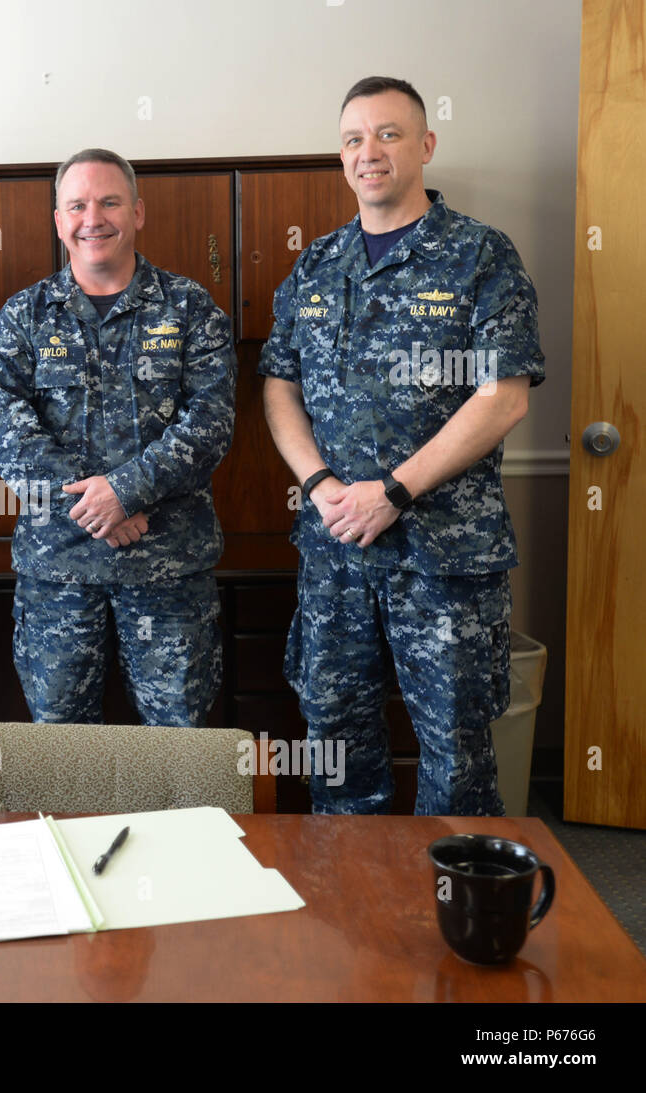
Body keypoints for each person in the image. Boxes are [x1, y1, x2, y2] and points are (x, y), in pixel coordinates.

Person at [259, 76, 545, 815]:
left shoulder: (480, 256)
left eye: (388, 134)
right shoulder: (316, 266)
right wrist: (321, 482)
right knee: (336, 742)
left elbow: (503, 396)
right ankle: (349, 917)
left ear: (426, 144)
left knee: (456, 752)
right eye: (354, 139)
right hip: (336, 550)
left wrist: (394, 490)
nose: (369, 152)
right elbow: (279, 386)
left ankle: (446, 917)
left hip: (445, 555)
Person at [0, 148, 236, 726]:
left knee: (182, 756)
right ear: (58, 220)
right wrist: (101, 508)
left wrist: (126, 491)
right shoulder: (21, 319)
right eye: (77, 205)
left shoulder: (191, 309)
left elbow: (210, 423)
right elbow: (8, 435)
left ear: (138, 212)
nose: (92, 218)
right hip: (59, 575)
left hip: (169, 572)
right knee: (65, 761)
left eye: (109, 202)